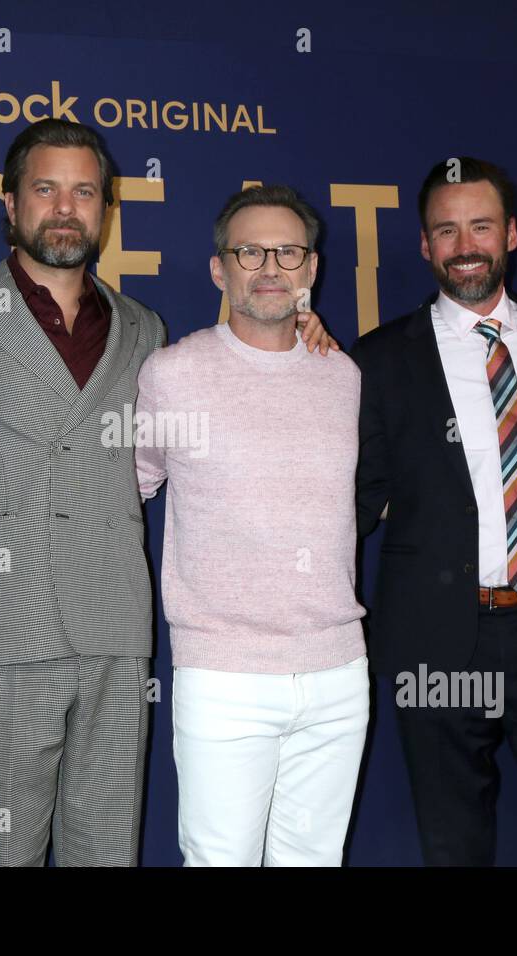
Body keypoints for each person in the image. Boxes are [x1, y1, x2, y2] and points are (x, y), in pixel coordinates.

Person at [0, 118, 335, 866]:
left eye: (84, 191)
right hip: (5, 629)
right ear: (10, 205)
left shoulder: (143, 331)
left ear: (106, 211)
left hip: (116, 626)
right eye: (45, 189)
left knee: (105, 850)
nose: (65, 207)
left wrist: (310, 331)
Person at [350, 157, 517, 865]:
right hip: (436, 639)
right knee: (454, 845)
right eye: (447, 229)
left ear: (512, 234)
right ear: (426, 245)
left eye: (482, 225)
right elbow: (350, 502)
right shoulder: (374, 362)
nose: (466, 244)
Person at [135, 185, 368, 866]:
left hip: (337, 672)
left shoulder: (343, 375)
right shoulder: (172, 374)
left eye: (287, 251)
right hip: (223, 675)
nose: (270, 267)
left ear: (312, 268)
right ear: (220, 269)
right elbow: (128, 488)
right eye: (249, 251)